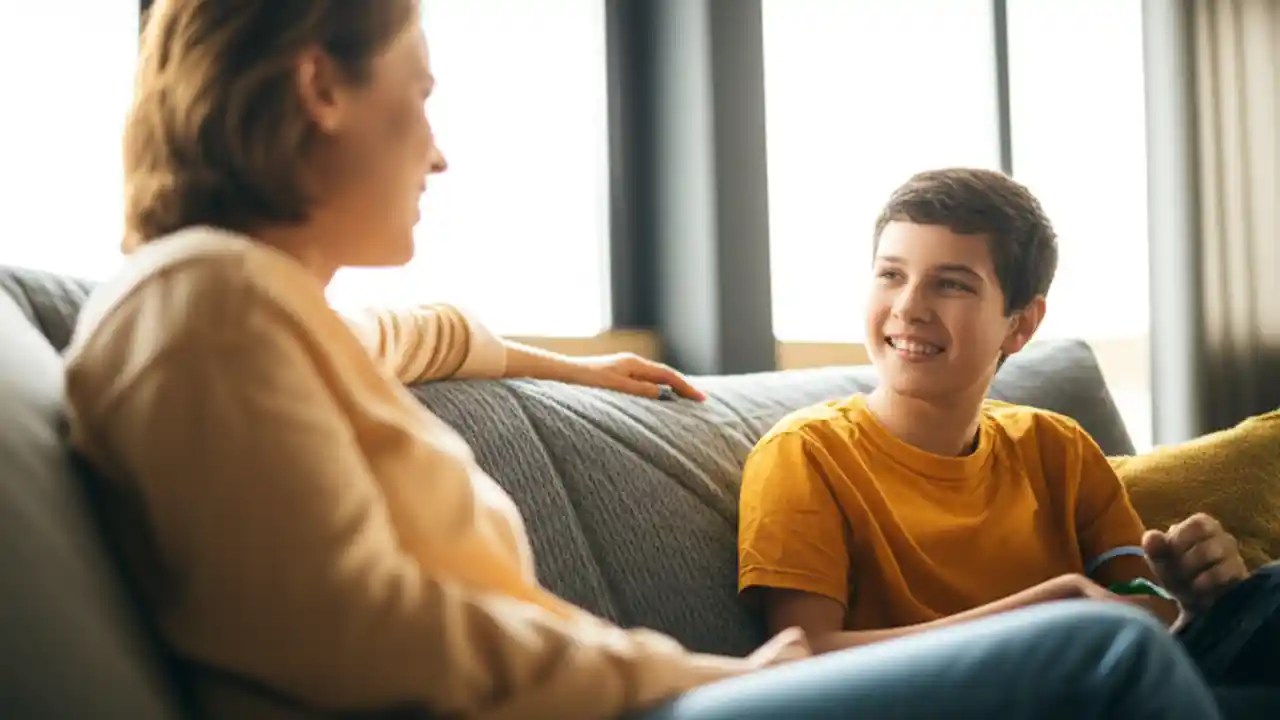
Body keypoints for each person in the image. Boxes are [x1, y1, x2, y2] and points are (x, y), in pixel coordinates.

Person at [64, 2, 1223, 718]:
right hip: (621, 712)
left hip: (630, 703)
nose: (439, 151)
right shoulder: (199, 312)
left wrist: (567, 368)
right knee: (1098, 661)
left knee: (1132, 636)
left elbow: (421, 336)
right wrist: (701, 677)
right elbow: (366, 639)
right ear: (320, 88)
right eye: (416, 98)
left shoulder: (270, 315)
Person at [737, 168, 1280, 705]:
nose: (908, 307)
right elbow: (798, 656)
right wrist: (1041, 614)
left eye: (950, 284)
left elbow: (1146, 614)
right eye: (891, 275)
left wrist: (1201, 597)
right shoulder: (806, 453)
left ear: (1020, 325)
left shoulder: (1057, 448)